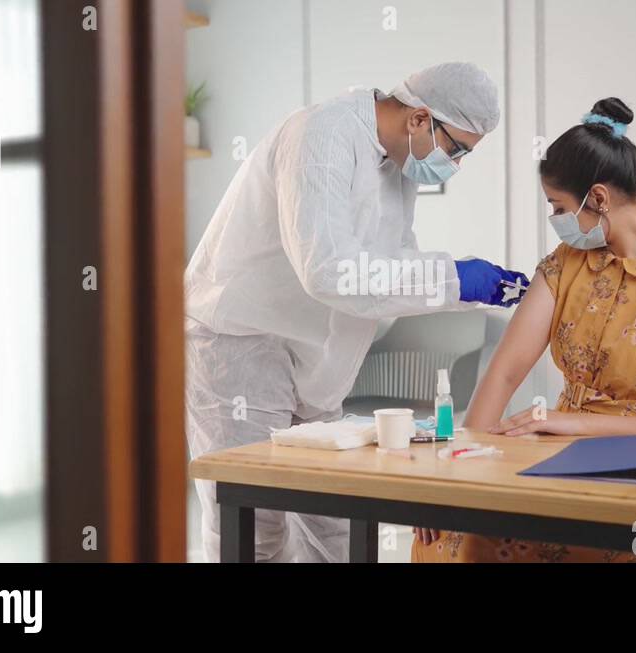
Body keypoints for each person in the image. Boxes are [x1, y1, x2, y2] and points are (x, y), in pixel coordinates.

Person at [186, 62, 529, 563]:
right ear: (419, 119)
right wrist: (456, 276)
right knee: (254, 527)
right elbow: (328, 270)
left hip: (318, 360)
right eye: (455, 148)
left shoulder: (398, 165)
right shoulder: (321, 135)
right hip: (242, 342)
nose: (454, 164)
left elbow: (393, 265)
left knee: (336, 530)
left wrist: (470, 285)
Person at [412, 98, 636, 563]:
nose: (557, 221)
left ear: (599, 198)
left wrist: (565, 423)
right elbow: (504, 374)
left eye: (558, 206)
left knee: (490, 542)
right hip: (556, 458)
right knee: (451, 533)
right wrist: (453, 479)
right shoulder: (567, 265)